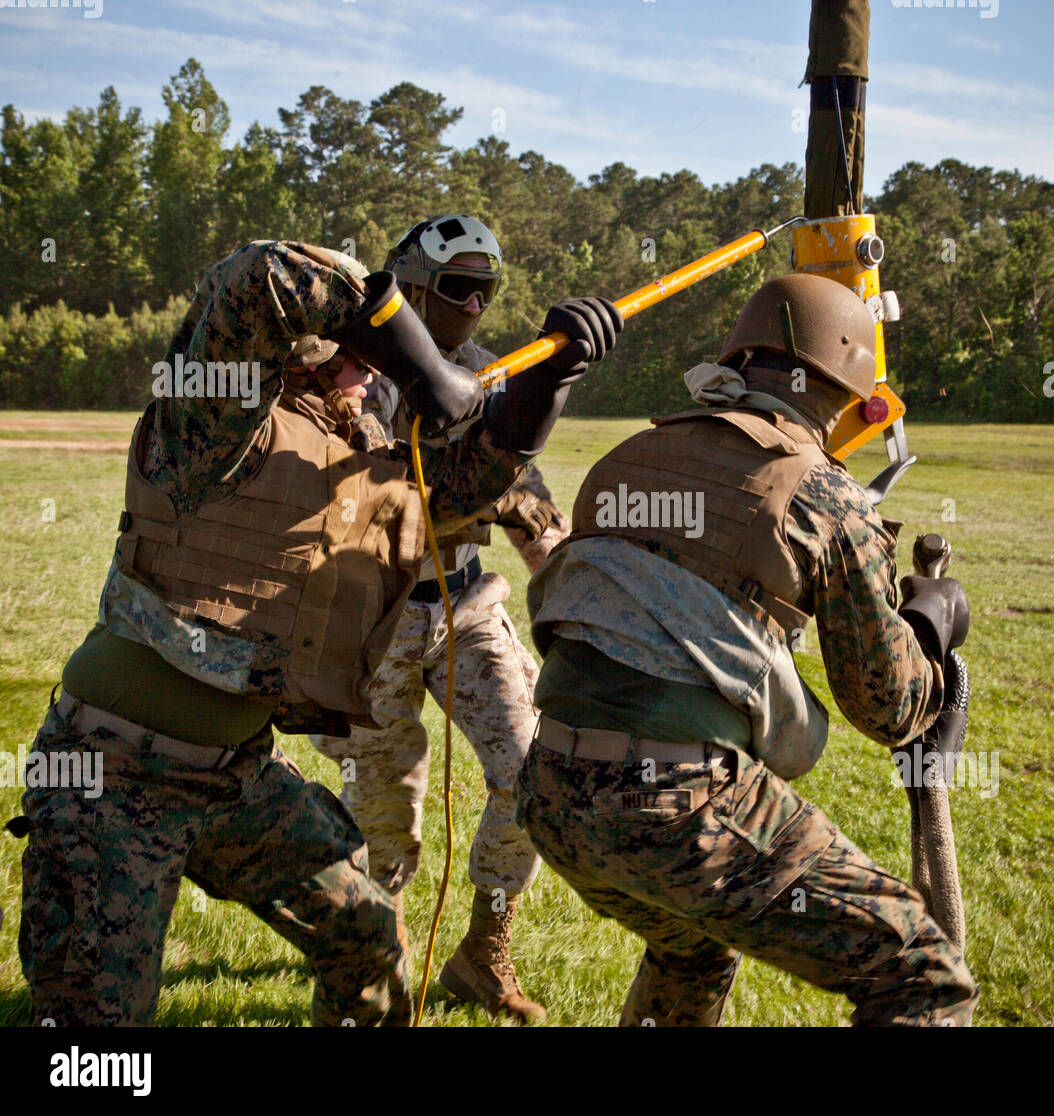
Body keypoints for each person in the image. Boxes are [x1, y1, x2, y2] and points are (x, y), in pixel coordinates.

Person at [14, 238, 604, 1027]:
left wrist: (551, 379)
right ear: (306, 361)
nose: (374, 385)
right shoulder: (213, 426)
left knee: (369, 940)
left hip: (236, 778)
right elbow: (260, 273)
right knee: (98, 1036)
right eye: (364, 367)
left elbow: (474, 479)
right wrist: (428, 370)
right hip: (114, 777)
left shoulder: (351, 457)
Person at [515, 272, 979, 1026]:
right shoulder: (826, 495)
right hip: (673, 809)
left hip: (552, 796)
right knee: (922, 975)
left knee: (693, 946)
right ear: (854, 384)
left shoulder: (630, 458)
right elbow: (889, 707)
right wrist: (930, 628)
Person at [308, 215, 605, 1023]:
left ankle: (483, 953)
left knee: (535, 775)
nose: (474, 305)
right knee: (383, 820)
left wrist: (570, 569)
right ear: (407, 282)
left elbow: (534, 515)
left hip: (465, 605)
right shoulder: (348, 372)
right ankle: (381, 959)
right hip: (368, 620)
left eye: (487, 289)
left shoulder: (495, 377)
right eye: (457, 287)